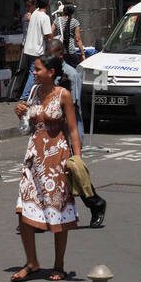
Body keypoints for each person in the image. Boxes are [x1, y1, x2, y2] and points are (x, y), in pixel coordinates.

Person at [12, 53, 81, 280]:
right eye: (34, 69)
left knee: (58, 211)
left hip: (57, 159)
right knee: (24, 211)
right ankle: (31, 262)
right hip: (33, 159)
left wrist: (76, 159)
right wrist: (21, 114)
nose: (34, 73)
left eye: (38, 69)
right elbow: (26, 128)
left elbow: (72, 130)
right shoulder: (33, 93)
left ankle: (58, 264)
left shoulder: (64, 95)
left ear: (51, 72)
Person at [44, 40, 106, 228]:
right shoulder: (44, 73)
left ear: (60, 54)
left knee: (74, 174)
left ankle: (95, 202)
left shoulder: (71, 75)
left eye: (50, 54)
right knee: (47, 175)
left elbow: (72, 110)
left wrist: (73, 146)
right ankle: (41, 216)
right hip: (50, 134)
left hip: (67, 134)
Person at [18, 0, 54, 102]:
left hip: (29, 48)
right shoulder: (44, 17)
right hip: (37, 50)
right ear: (48, 4)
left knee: (33, 71)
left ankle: (35, 95)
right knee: (34, 73)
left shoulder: (34, 14)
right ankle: (25, 96)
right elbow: (47, 34)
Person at [58, 1, 85, 67]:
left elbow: (51, 34)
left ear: (64, 10)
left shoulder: (57, 20)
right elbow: (78, 39)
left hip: (60, 51)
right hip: (71, 52)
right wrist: (82, 54)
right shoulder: (75, 22)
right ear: (72, 12)